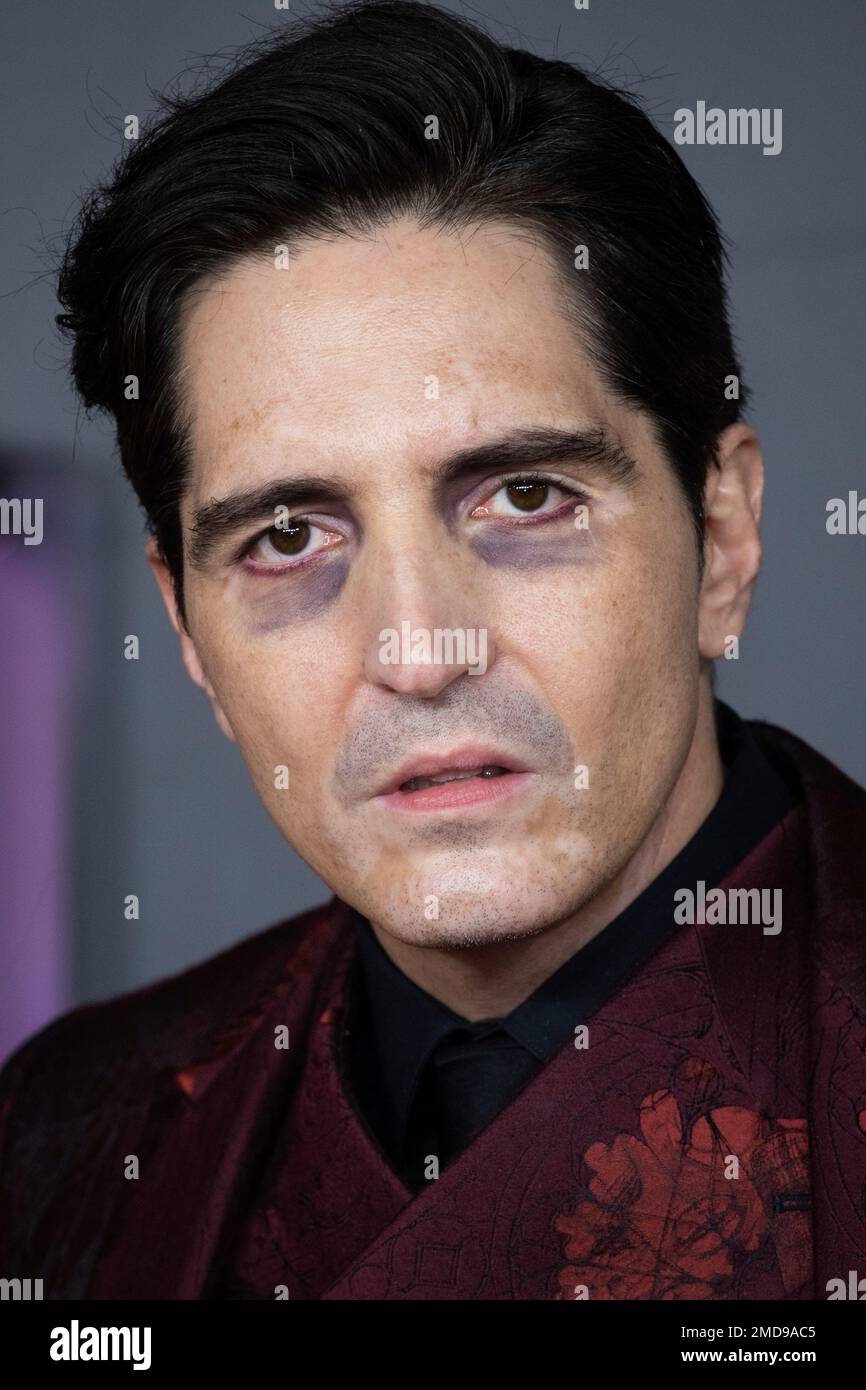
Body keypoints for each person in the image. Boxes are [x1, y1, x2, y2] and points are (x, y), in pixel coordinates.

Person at [1, 0, 864, 1301]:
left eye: (524, 498)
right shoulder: (69, 1119)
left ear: (722, 533)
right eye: (287, 533)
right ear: (185, 625)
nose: (416, 648)